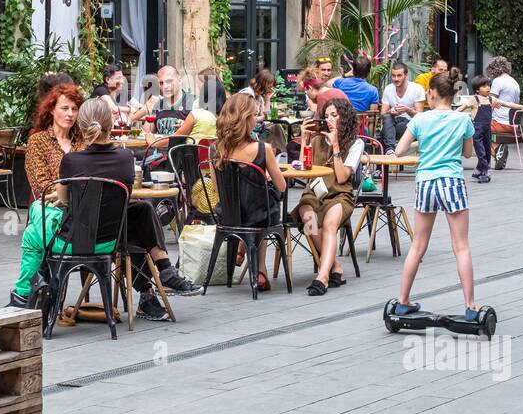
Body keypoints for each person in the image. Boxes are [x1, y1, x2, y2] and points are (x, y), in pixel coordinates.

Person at [23, 96, 198, 321]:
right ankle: (162, 273)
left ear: (82, 125)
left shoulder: (71, 161)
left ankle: (153, 286)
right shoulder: (125, 158)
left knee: (139, 212)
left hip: (76, 238)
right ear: (111, 125)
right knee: (140, 212)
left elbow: (65, 200)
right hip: (112, 239)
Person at [390, 68, 479, 321]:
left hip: (426, 182)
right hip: (451, 181)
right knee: (461, 247)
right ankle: (470, 306)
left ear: (430, 93)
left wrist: (422, 142)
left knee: (418, 246)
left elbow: (399, 151)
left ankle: (403, 300)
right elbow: (468, 154)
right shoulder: (463, 121)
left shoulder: (419, 120)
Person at [10, 84, 85, 307]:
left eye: (74, 109)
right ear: (52, 110)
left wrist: (63, 193)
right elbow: (41, 186)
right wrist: (69, 193)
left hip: (81, 211)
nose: (70, 114)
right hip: (55, 210)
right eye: (65, 108)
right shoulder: (38, 141)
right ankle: (34, 290)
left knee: (34, 230)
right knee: (40, 209)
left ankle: (24, 294)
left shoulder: (83, 142)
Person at [210, 92, 287, 292]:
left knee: (255, 206)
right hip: (258, 216)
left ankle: (243, 256)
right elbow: (282, 187)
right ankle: (260, 271)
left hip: (228, 216)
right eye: (254, 115)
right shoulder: (263, 148)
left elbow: (217, 190)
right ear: (246, 119)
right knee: (265, 204)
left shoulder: (216, 150)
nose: (257, 119)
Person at [294, 99, 364, 297]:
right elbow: (303, 170)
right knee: (307, 215)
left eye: (334, 115)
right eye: (326, 116)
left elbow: (342, 177)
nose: (330, 120)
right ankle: (335, 267)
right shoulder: (317, 140)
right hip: (314, 194)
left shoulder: (355, 143)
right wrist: (305, 141)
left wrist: (335, 147)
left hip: (340, 194)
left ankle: (322, 276)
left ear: (345, 117)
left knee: (329, 224)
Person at [380, 61, 425, 150]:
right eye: (393, 76)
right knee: (387, 118)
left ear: (406, 75)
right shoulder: (388, 89)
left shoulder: (416, 89)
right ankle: (389, 151)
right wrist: (391, 112)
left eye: (399, 75)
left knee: (384, 133)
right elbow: (383, 113)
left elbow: (420, 116)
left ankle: (389, 151)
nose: (396, 79)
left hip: (410, 125)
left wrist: (407, 110)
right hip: (393, 122)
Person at [486, 56, 522, 169]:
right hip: (514, 126)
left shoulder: (498, 81)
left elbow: (490, 103)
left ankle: (496, 151)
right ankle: (498, 148)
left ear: (493, 69)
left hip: (499, 124)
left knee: (475, 129)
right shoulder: (515, 82)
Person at [459, 75, 495, 183]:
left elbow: (506, 103)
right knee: (481, 152)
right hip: (477, 130)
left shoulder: (491, 99)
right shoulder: (474, 99)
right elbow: (462, 107)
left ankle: (478, 170)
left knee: (487, 151)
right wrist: (449, 115)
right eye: (484, 86)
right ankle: (484, 171)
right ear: (477, 90)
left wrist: (521, 107)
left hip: (487, 129)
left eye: (488, 85)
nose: (488, 88)